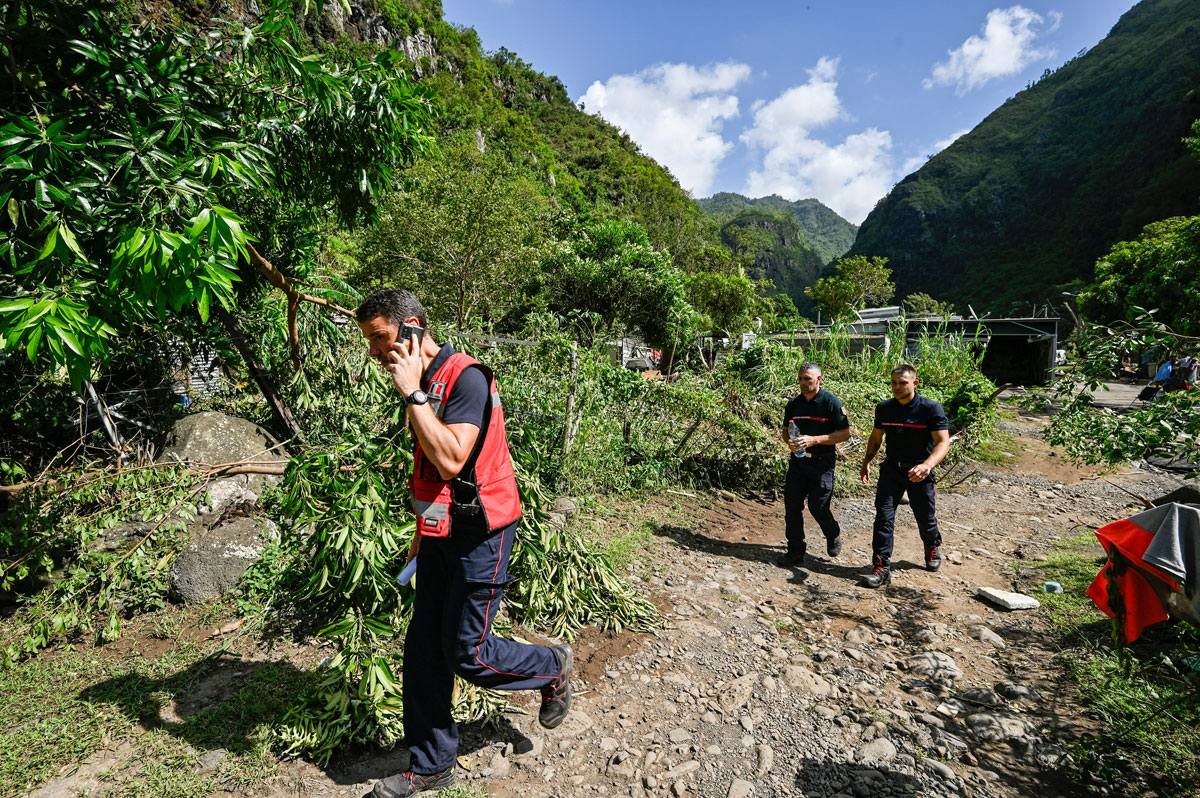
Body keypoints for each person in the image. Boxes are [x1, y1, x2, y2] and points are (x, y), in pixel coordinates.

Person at [356, 288, 571, 798]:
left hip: (482, 535)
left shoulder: (466, 378)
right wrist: (421, 532)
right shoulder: (426, 379)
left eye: (380, 338)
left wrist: (412, 394)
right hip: (440, 534)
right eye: (370, 342)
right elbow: (432, 471)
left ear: (412, 327)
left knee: (466, 653)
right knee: (423, 651)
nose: (375, 352)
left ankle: (551, 667)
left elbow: (452, 458)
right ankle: (432, 764)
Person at [858, 365, 951, 588]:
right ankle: (881, 568)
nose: (897, 387)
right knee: (883, 518)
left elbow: (943, 442)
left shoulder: (930, 409)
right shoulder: (884, 408)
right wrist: (866, 462)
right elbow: (877, 437)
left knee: (925, 518)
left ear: (914, 383)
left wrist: (927, 465)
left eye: (902, 383)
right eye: (893, 383)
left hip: (920, 471)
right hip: (892, 470)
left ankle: (932, 544)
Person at [777, 362, 851, 567]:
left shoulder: (831, 402)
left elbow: (844, 434)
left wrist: (814, 440)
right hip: (798, 461)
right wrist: (790, 442)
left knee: (818, 506)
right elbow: (786, 432)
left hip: (822, 462)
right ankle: (795, 551)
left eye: (807, 379)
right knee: (792, 506)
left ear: (819, 379)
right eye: (800, 378)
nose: (803, 382)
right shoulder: (794, 404)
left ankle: (833, 533)